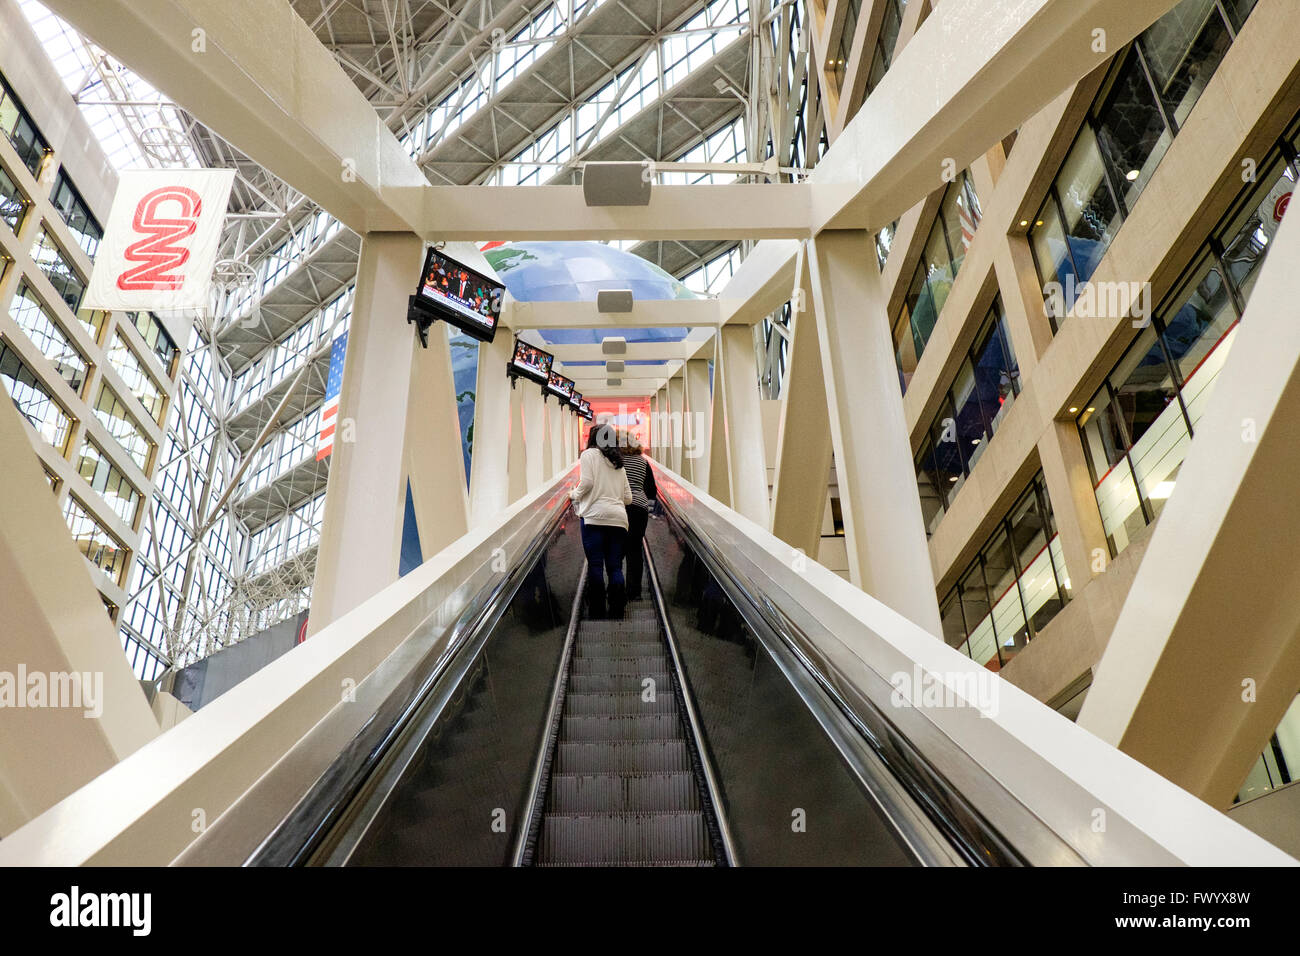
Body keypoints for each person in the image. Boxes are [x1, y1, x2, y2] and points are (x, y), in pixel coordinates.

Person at [570, 423, 633, 618]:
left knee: (596, 564)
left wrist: (574, 494)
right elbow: (628, 498)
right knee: (614, 566)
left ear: (593, 438)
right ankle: (617, 610)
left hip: (594, 518)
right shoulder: (618, 464)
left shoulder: (588, 455)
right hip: (618, 520)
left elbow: (587, 482)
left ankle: (597, 610)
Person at [619, 430, 657, 601]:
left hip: (619, 507)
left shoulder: (615, 462)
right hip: (639, 509)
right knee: (634, 550)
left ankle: (616, 589)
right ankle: (634, 593)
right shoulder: (643, 462)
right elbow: (651, 490)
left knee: (616, 550)